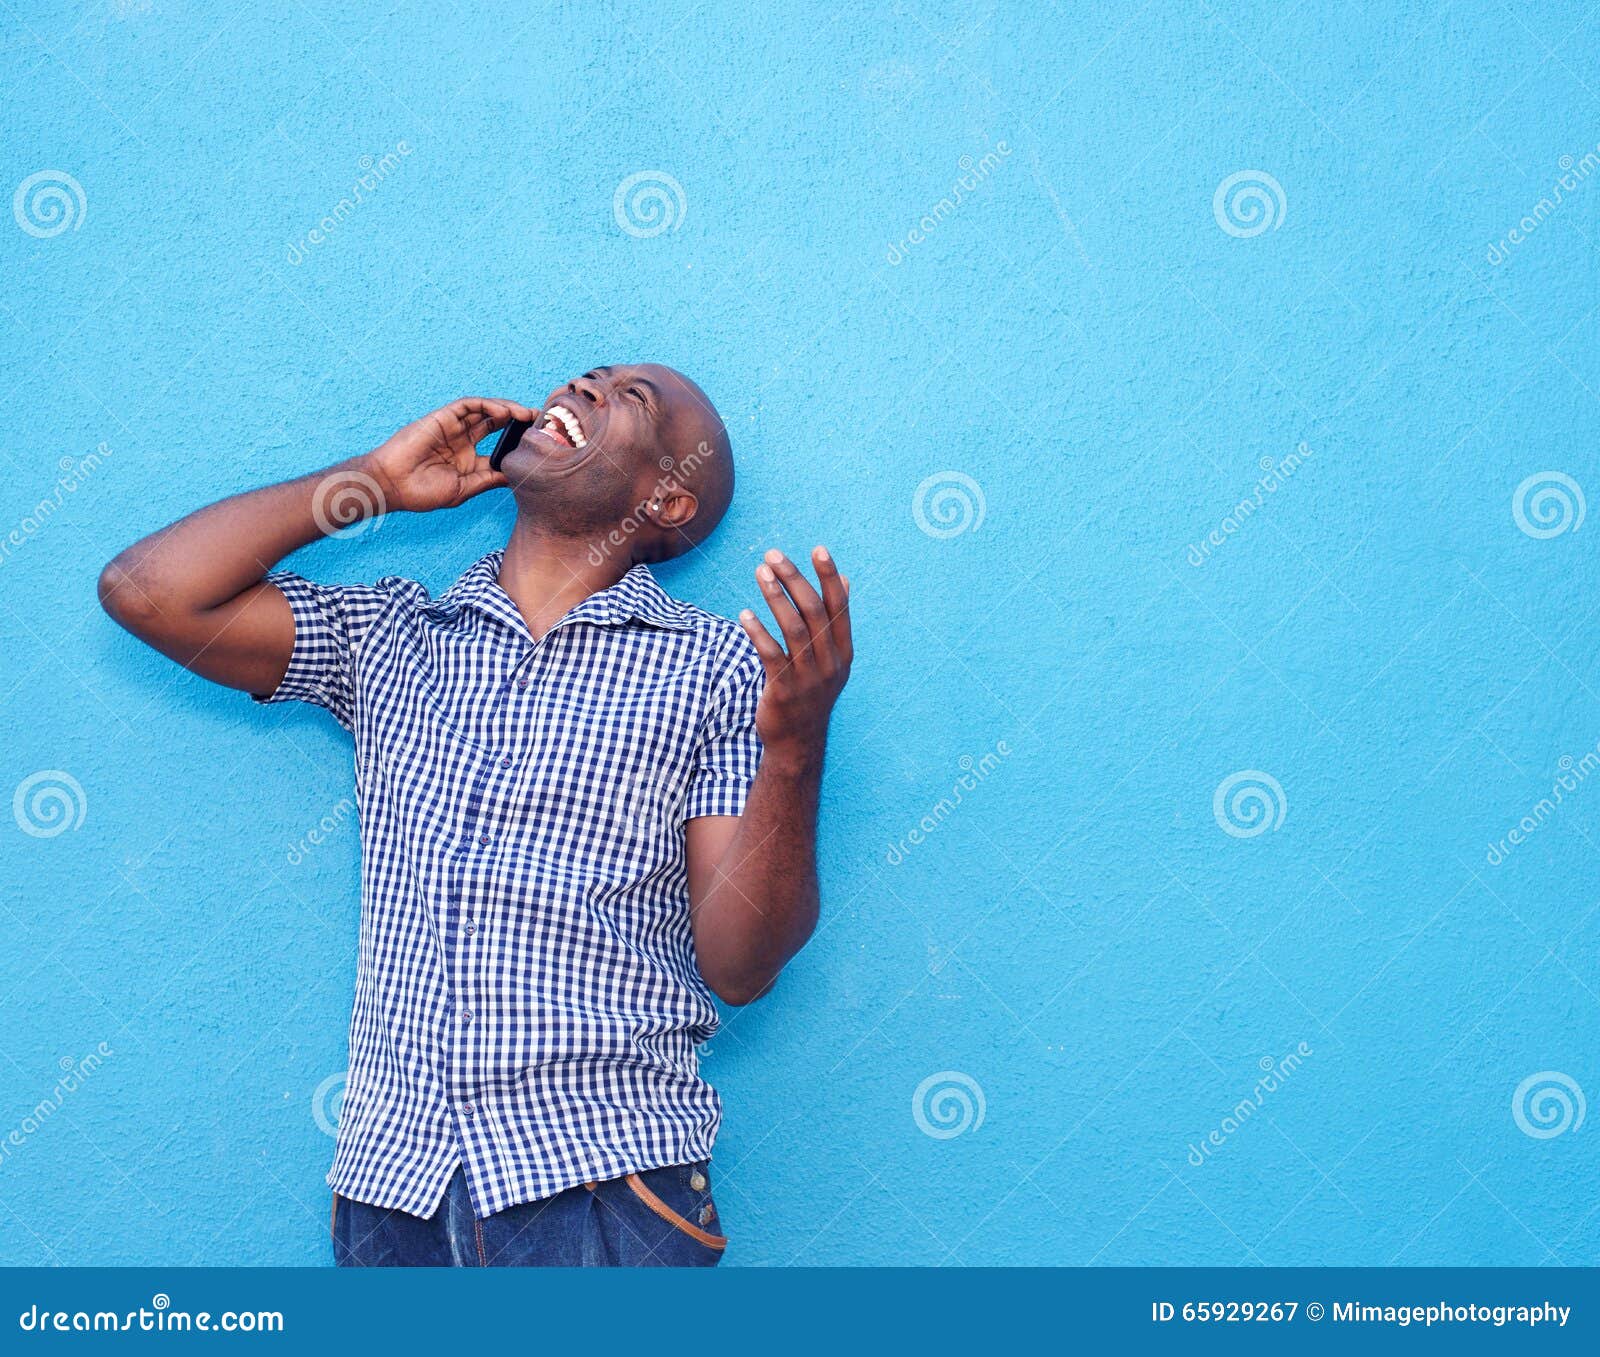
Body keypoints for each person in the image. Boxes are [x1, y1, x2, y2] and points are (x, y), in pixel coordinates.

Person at [97, 365, 853, 1266]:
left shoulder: (721, 670)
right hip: (393, 1194)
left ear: (669, 498)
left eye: (632, 399)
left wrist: (798, 742)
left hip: (599, 1183)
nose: (587, 386)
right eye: (588, 377)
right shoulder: (392, 637)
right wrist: (372, 482)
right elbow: (147, 591)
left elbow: (739, 964)